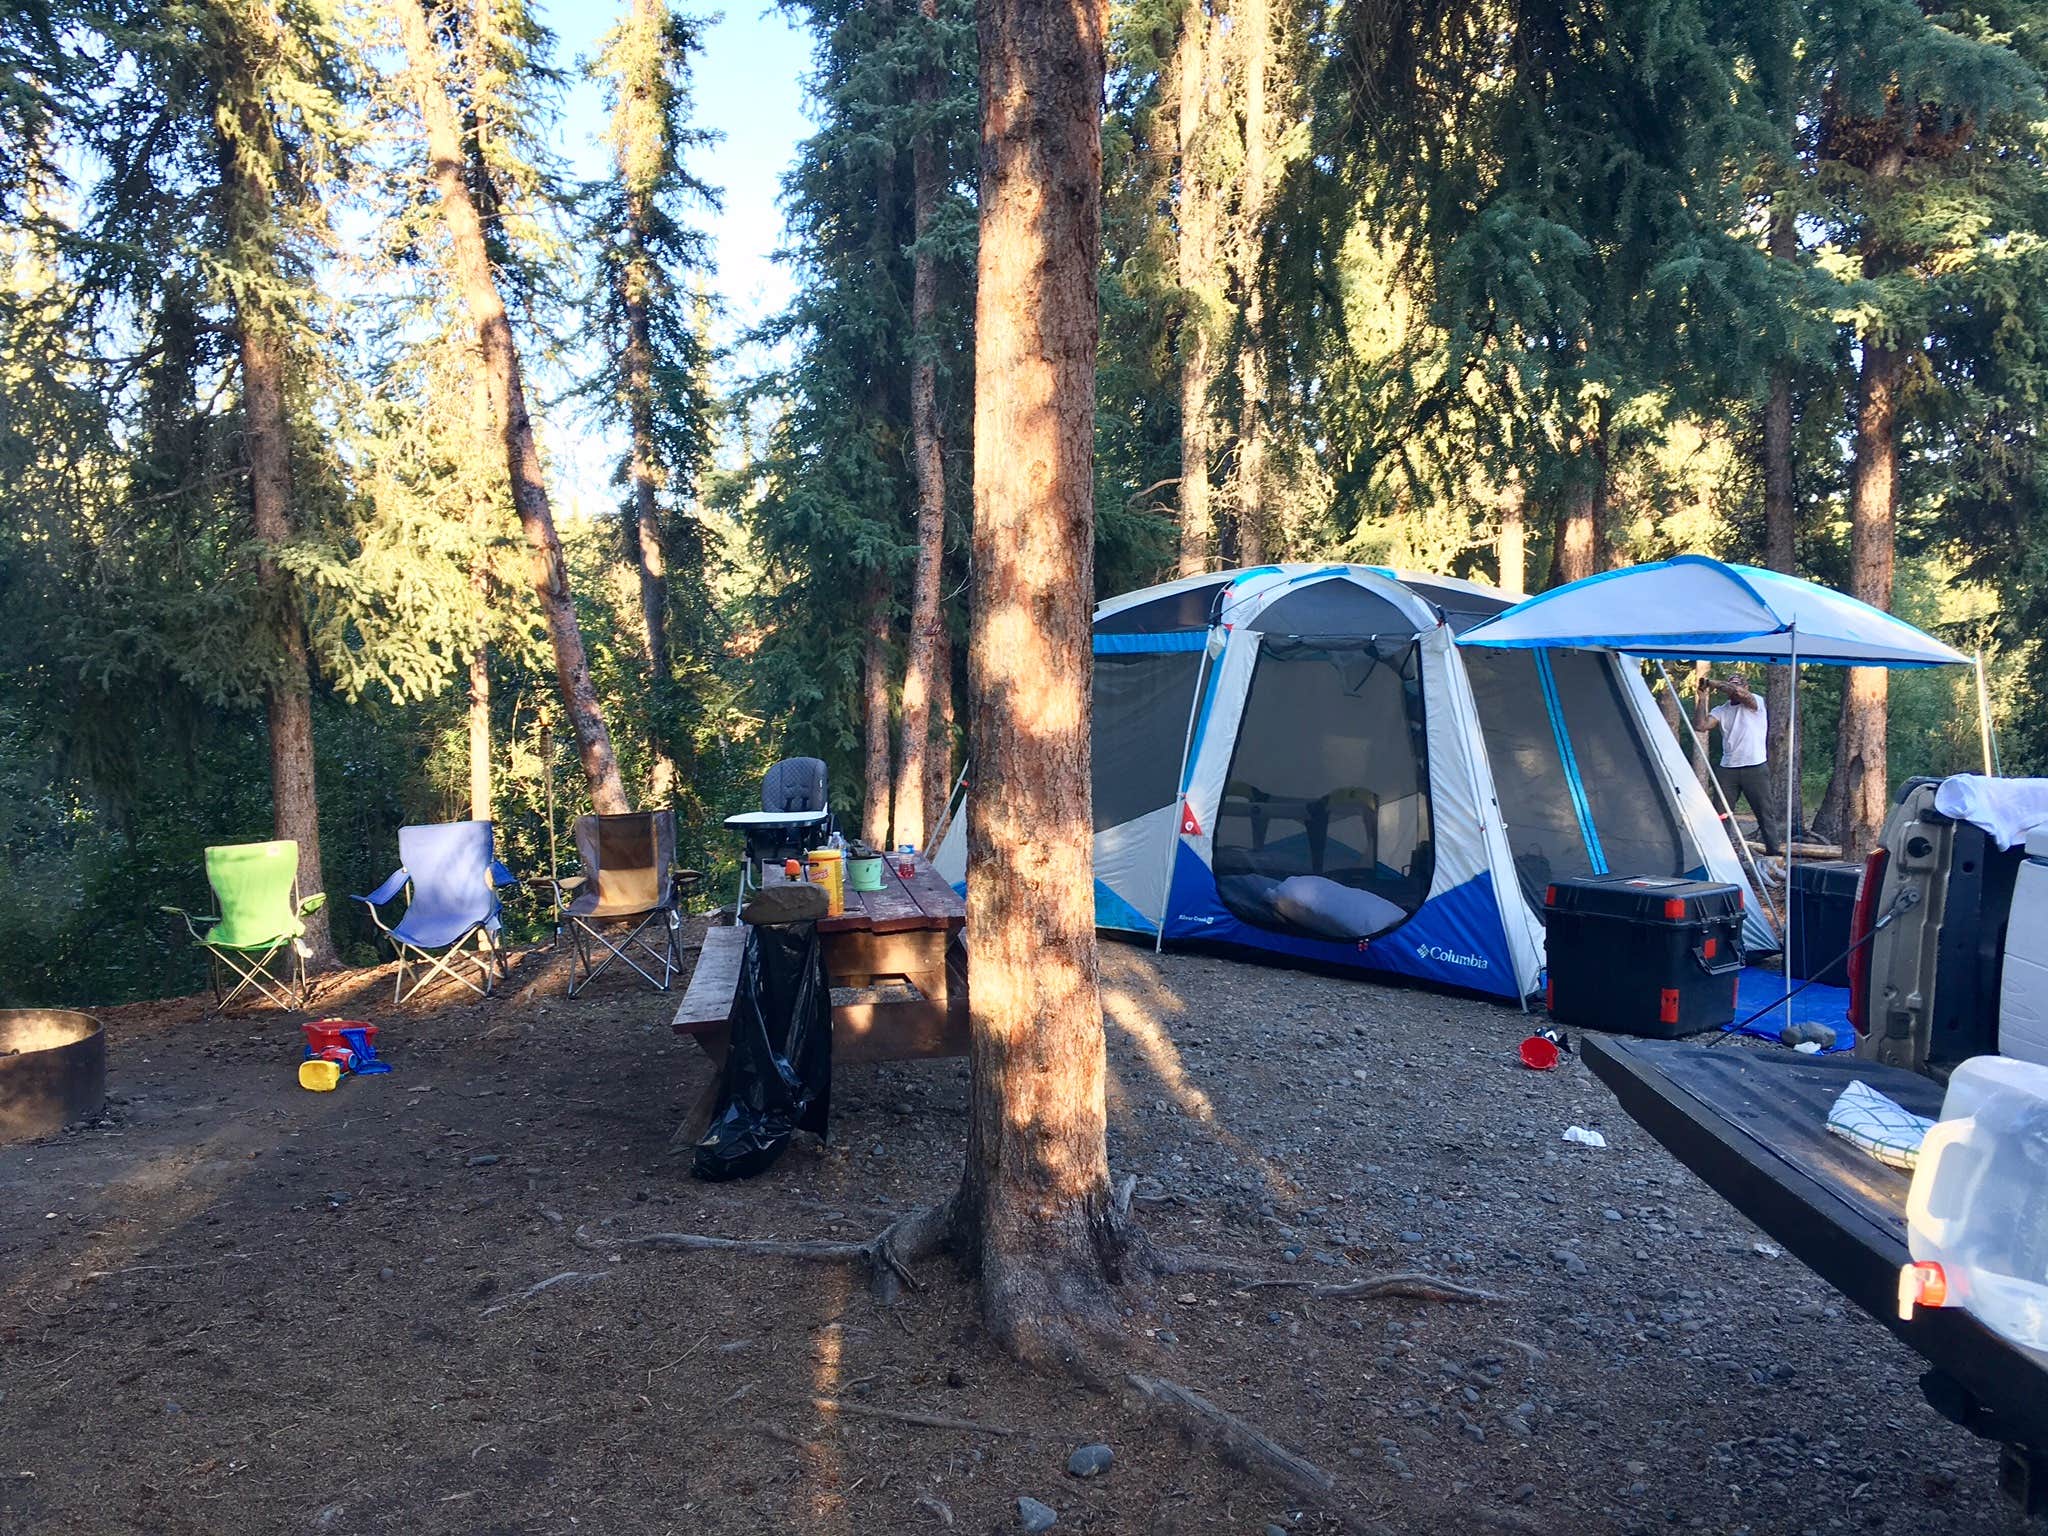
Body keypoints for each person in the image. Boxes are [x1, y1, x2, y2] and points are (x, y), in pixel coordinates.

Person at [1694, 669, 1784, 856]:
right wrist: (1702, 698)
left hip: (1755, 766)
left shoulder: (1755, 703)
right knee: (1721, 813)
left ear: (1746, 687)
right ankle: (1720, 852)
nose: (1734, 689)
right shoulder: (1721, 710)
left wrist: (1714, 683)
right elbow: (1701, 726)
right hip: (1729, 768)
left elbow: (1739, 694)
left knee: (1764, 812)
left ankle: (1774, 854)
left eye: (1738, 684)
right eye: (1731, 684)